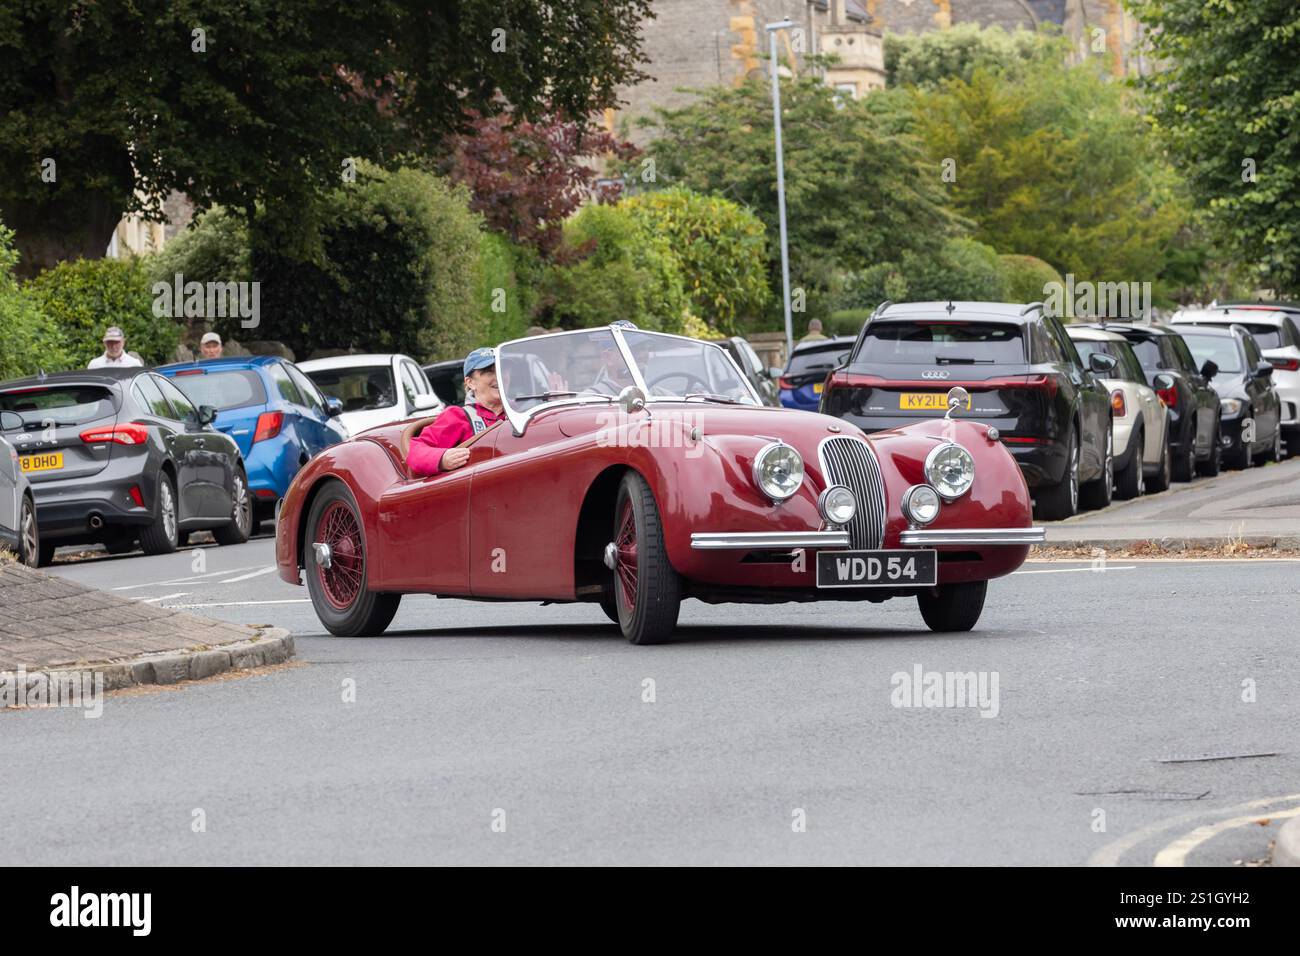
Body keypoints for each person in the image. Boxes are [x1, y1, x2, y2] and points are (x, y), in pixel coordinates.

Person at [407, 348, 504, 477]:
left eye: (501, 370)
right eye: (489, 372)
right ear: (470, 383)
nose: (498, 376)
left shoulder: (520, 411)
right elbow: (415, 452)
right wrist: (442, 459)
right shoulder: (457, 416)